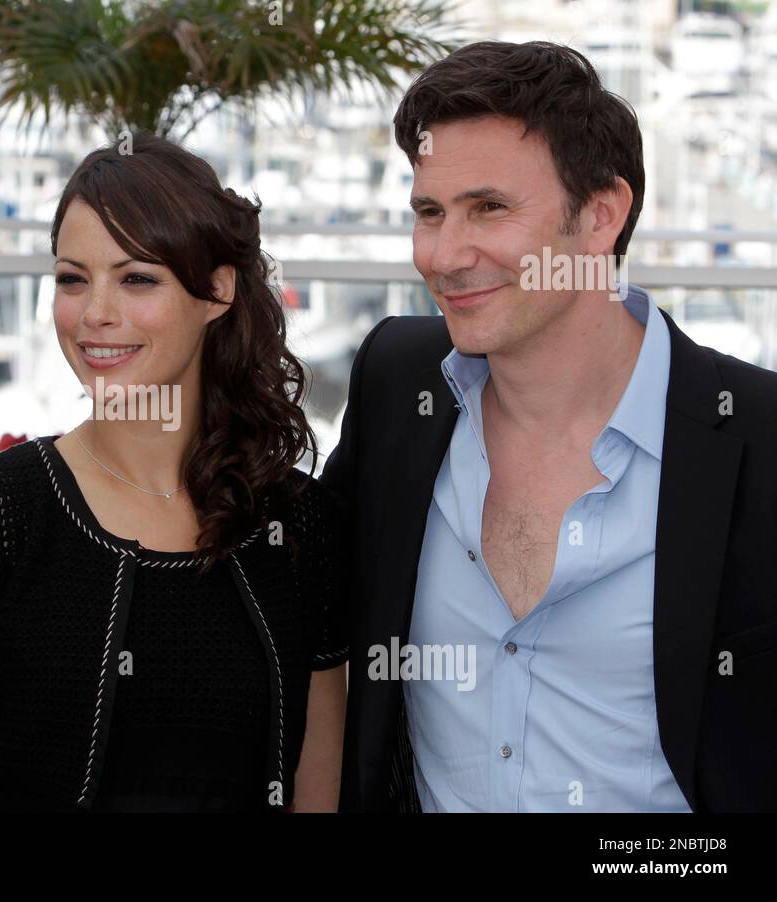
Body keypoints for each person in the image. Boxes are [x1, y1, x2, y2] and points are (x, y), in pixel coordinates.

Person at [323, 40, 777, 812]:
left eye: (489, 208)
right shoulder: (399, 385)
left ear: (600, 217)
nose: (445, 254)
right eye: (430, 212)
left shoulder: (760, 440)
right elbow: (301, 590)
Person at [0, 132, 348, 812]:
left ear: (217, 291)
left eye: (137, 279)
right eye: (73, 278)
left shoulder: (299, 523)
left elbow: (316, 792)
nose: (94, 314)